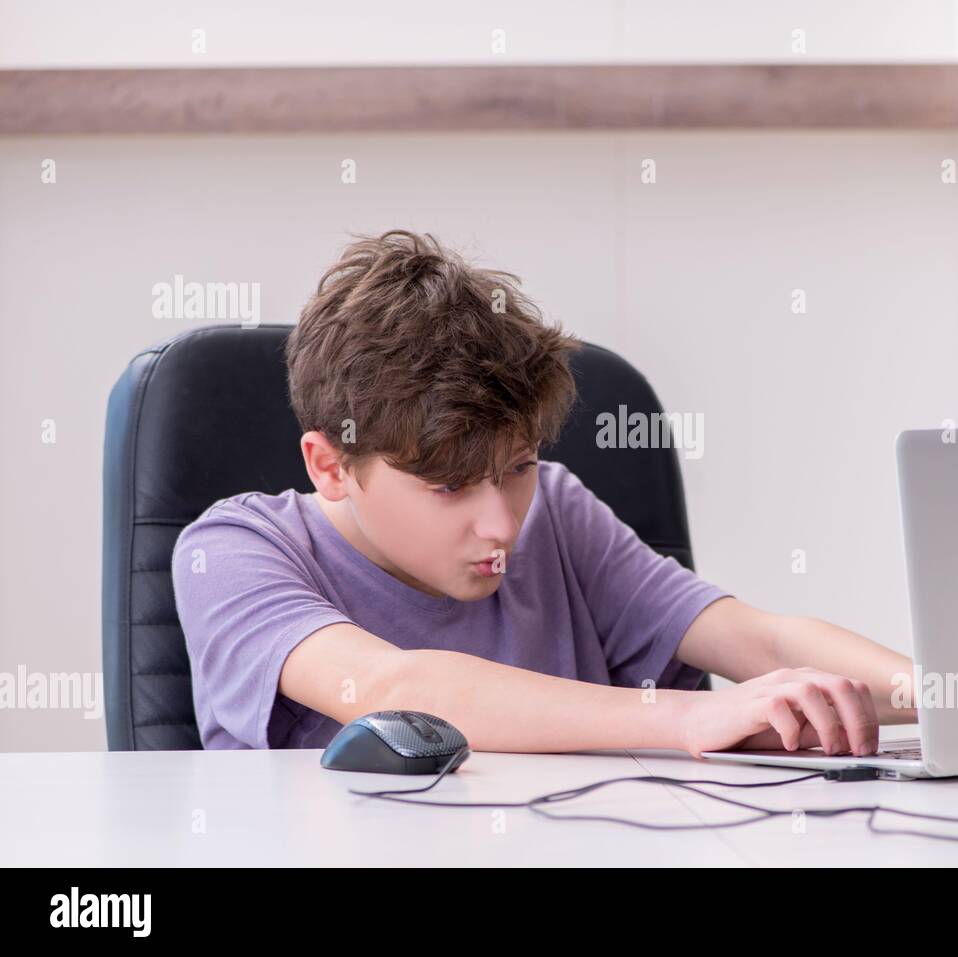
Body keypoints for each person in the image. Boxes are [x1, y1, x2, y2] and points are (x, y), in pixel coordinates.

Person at [172, 229, 916, 755]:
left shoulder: (556, 509)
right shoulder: (234, 551)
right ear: (331, 464)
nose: (500, 523)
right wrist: (691, 717)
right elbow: (389, 686)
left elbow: (760, 639)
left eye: (518, 465)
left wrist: (942, 693)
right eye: (452, 484)